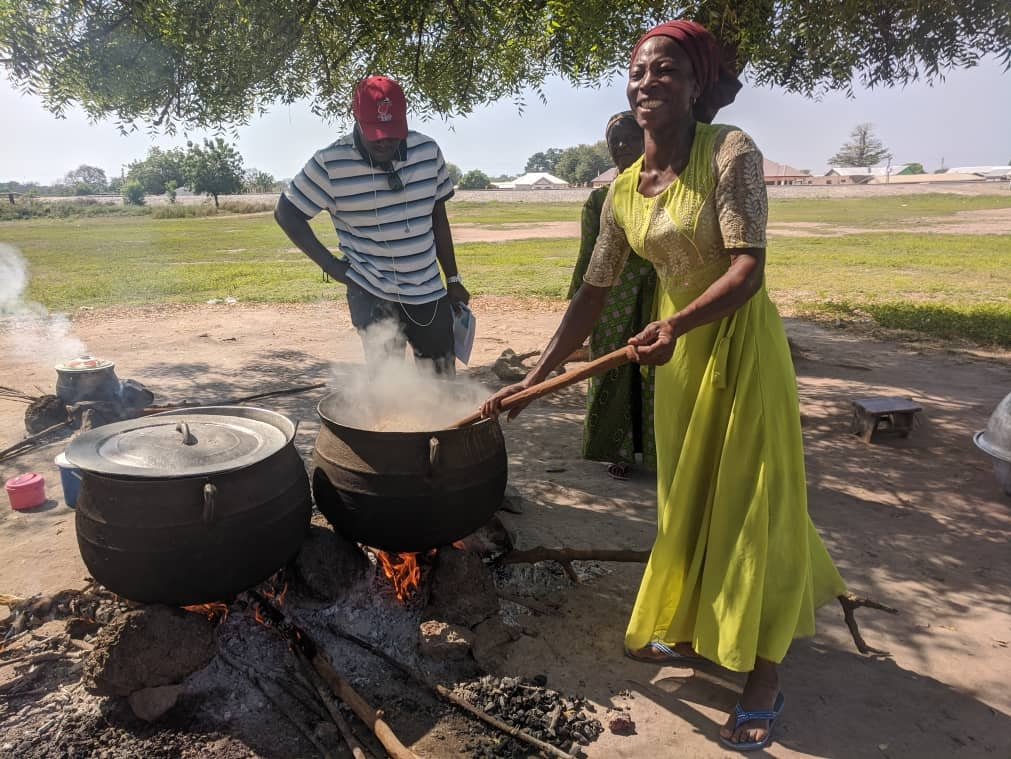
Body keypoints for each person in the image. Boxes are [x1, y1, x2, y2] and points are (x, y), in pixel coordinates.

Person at [482, 20, 847, 752]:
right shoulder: (623, 189)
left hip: (738, 347)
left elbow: (749, 267)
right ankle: (694, 630)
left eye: (668, 71)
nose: (650, 81)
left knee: (752, 506)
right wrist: (535, 377)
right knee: (690, 499)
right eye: (640, 71)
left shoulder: (730, 152)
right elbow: (592, 293)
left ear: (698, 85)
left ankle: (763, 674)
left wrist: (677, 326)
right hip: (679, 365)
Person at [274, 75, 468, 376]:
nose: (385, 142)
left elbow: (437, 217)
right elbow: (286, 212)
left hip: (428, 291)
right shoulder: (330, 163)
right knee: (386, 386)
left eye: (392, 134)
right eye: (376, 134)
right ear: (357, 119)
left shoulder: (427, 152)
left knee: (442, 380)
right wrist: (333, 267)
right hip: (371, 291)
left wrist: (453, 279)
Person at [568, 111, 657, 479]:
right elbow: (588, 255)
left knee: (656, 374)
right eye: (614, 141)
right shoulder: (600, 200)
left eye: (630, 138)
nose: (621, 146)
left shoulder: (668, 190)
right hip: (611, 301)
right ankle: (615, 450)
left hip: (657, 297)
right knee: (612, 371)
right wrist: (577, 306)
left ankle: (657, 450)